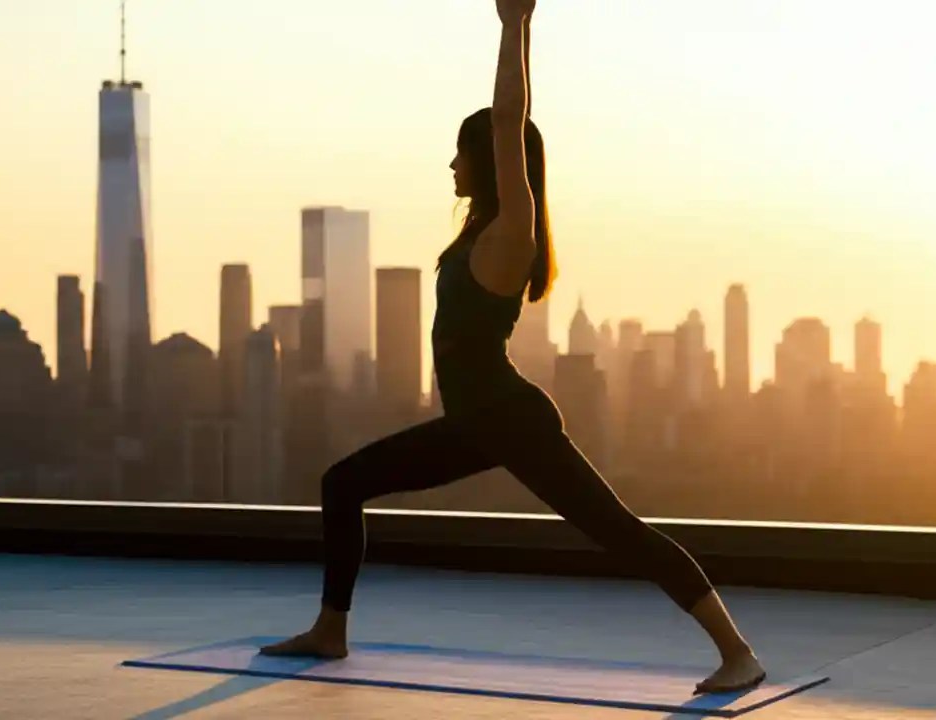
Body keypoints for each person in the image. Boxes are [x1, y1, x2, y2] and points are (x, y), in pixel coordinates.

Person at [261, 0, 767, 695]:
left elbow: (508, 122)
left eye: (459, 154)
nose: (450, 164)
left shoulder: (511, 233)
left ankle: (737, 652)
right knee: (342, 483)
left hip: (510, 420)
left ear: (490, 162)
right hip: (474, 424)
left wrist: (514, 25)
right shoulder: (477, 236)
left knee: (619, 532)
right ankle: (330, 631)